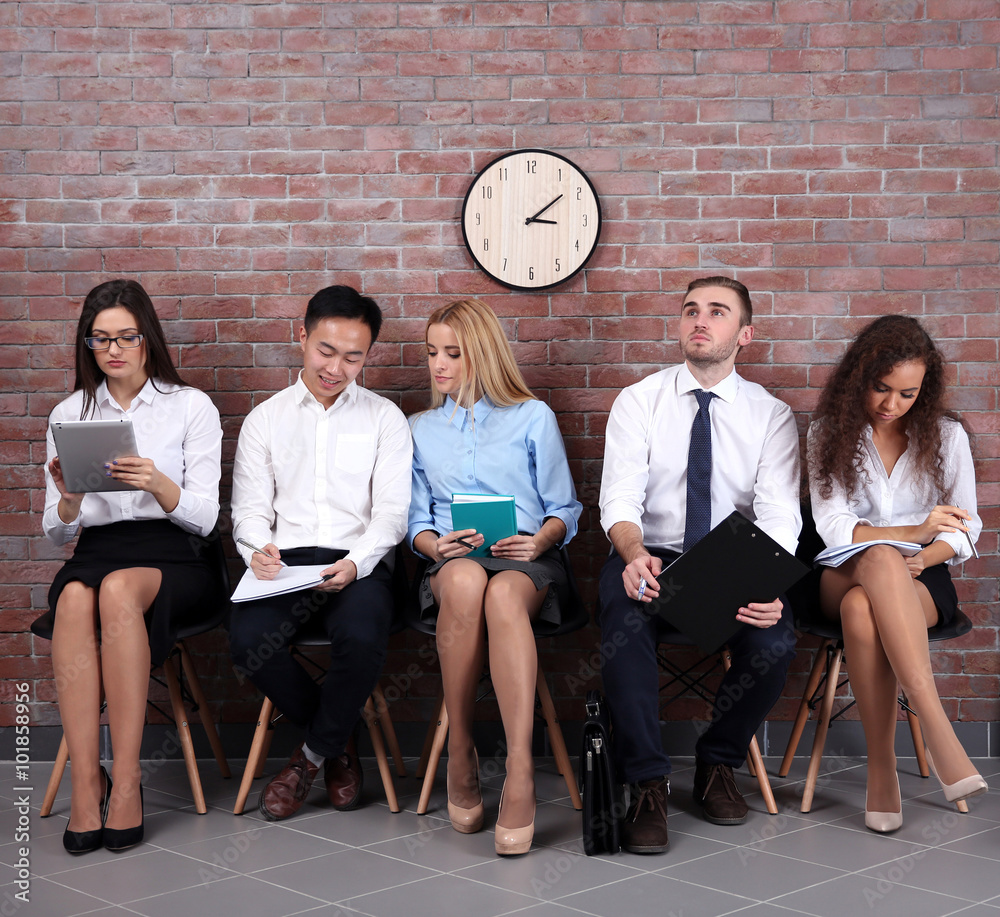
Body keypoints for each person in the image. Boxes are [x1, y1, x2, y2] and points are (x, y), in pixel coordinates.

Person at [598, 276, 801, 853]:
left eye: (717, 311)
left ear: (745, 333)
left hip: (733, 560)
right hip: (651, 554)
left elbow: (781, 511)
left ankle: (718, 763)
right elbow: (619, 498)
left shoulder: (771, 414)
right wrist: (633, 554)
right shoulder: (640, 400)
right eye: (690, 310)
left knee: (775, 639)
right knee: (623, 618)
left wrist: (766, 580)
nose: (700, 320)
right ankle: (646, 783)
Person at [42, 279, 224, 854]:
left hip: (175, 553)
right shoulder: (70, 412)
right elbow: (58, 533)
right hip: (97, 550)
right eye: (101, 339)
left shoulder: (188, 405)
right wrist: (69, 500)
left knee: (118, 591)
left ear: (148, 339)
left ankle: (127, 781)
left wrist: (158, 483)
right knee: (73, 596)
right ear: (87, 345)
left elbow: (206, 520)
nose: (114, 349)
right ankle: (86, 780)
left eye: (126, 336)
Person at [229, 285, 411, 821]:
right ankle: (337, 734)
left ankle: (307, 759)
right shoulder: (266, 419)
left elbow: (392, 515)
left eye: (353, 356)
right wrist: (256, 550)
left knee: (360, 635)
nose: (336, 367)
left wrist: (356, 563)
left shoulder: (385, 419)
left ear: (368, 355)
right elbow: (248, 511)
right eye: (325, 351)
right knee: (247, 641)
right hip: (285, 563)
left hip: (359, 561)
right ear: (302, 336)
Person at [408, 298, 582, 856]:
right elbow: (412, 521)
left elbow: (566, 507)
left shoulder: (533, 416)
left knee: (502, 593)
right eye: (433, 352)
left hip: (525, 562)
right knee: (464, 581)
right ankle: (460, 747)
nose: (440, 365)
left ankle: (520, 770)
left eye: (453, 354)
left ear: (481, 354)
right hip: (452, 561)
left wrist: (541, 539)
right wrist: (438, 544)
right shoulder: (418, 428)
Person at [808, 314, 985, 833]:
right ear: (858, 378)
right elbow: (834, 526)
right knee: (876, 561)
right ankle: (937, 727)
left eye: (907, 394)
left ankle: (881, 772)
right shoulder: (828, 432)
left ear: (923, 391)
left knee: (863, 609)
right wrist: (910, 534)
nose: (890, 405)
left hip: (921, 576)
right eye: (881, 389)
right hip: (841, 570)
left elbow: (966, 528)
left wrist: (924, 555)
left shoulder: (947, 437)